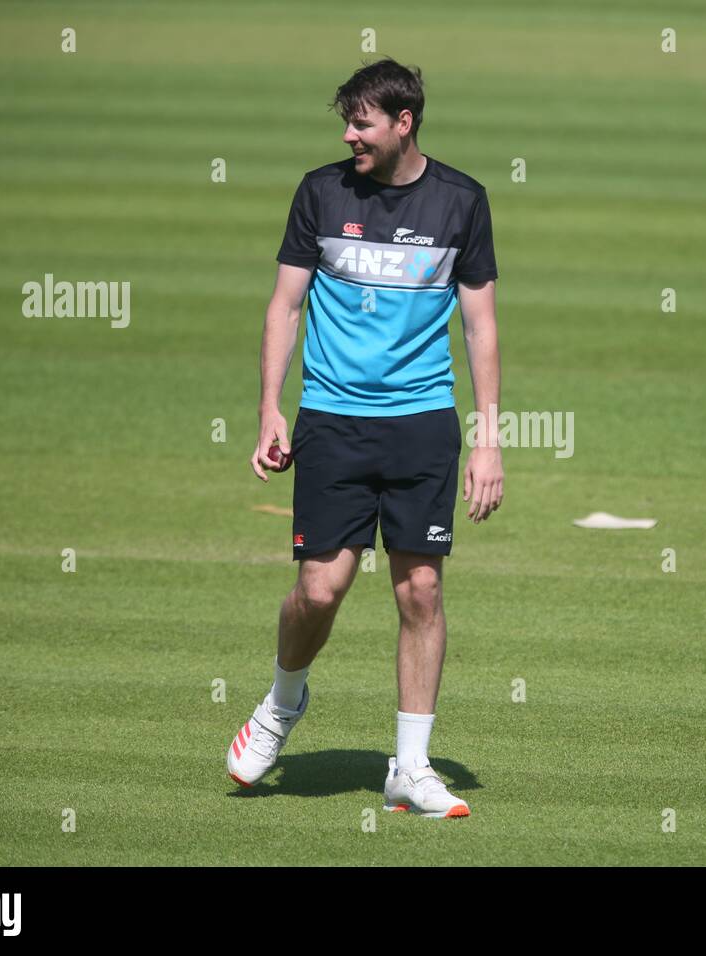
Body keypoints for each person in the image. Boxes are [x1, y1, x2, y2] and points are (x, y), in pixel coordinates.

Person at [226, 57, 502, 819]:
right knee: (322, 587)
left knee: (421, 588)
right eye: (347, 123)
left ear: (404, 122)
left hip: (420, 425)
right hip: (334, 421)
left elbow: (480, 325)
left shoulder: (461, 202)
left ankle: (409, 768)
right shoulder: (321, 193)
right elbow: (285, 306)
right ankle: (282, 703)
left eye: (364, 123)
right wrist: (269, 409)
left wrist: (487, 439)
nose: (351, 135)